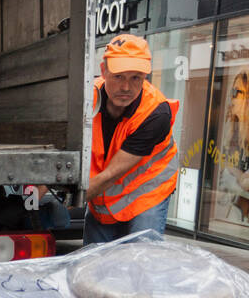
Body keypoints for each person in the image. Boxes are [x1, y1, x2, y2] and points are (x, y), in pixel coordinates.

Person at [74, 34, 180, 244]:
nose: (126, 87)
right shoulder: (84, 100)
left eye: (135, 78)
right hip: (103, 197)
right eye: (119, 76)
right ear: (103, 71)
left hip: (146, 193)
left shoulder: (156, 114)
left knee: (138, 264)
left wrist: (68, 201)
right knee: (93, 265)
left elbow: (111, 175)